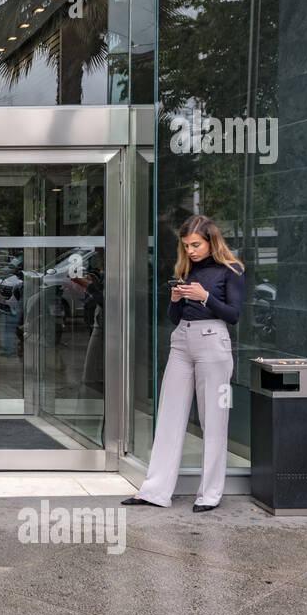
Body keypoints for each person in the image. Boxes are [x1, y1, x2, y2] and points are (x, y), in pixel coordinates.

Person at [123, 215, 245, 512]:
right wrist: (177, 298)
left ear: (210, 241)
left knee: (214, 420)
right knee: (168, 416)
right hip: (181, 341)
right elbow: (174, 317)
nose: (191, 251)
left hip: (213, 342)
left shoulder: (232, 270)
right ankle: (154, 491)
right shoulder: (187, 269)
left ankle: (210, 494)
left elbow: (234, 315)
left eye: (196, 244)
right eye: (186, 245)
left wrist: (204, 297)